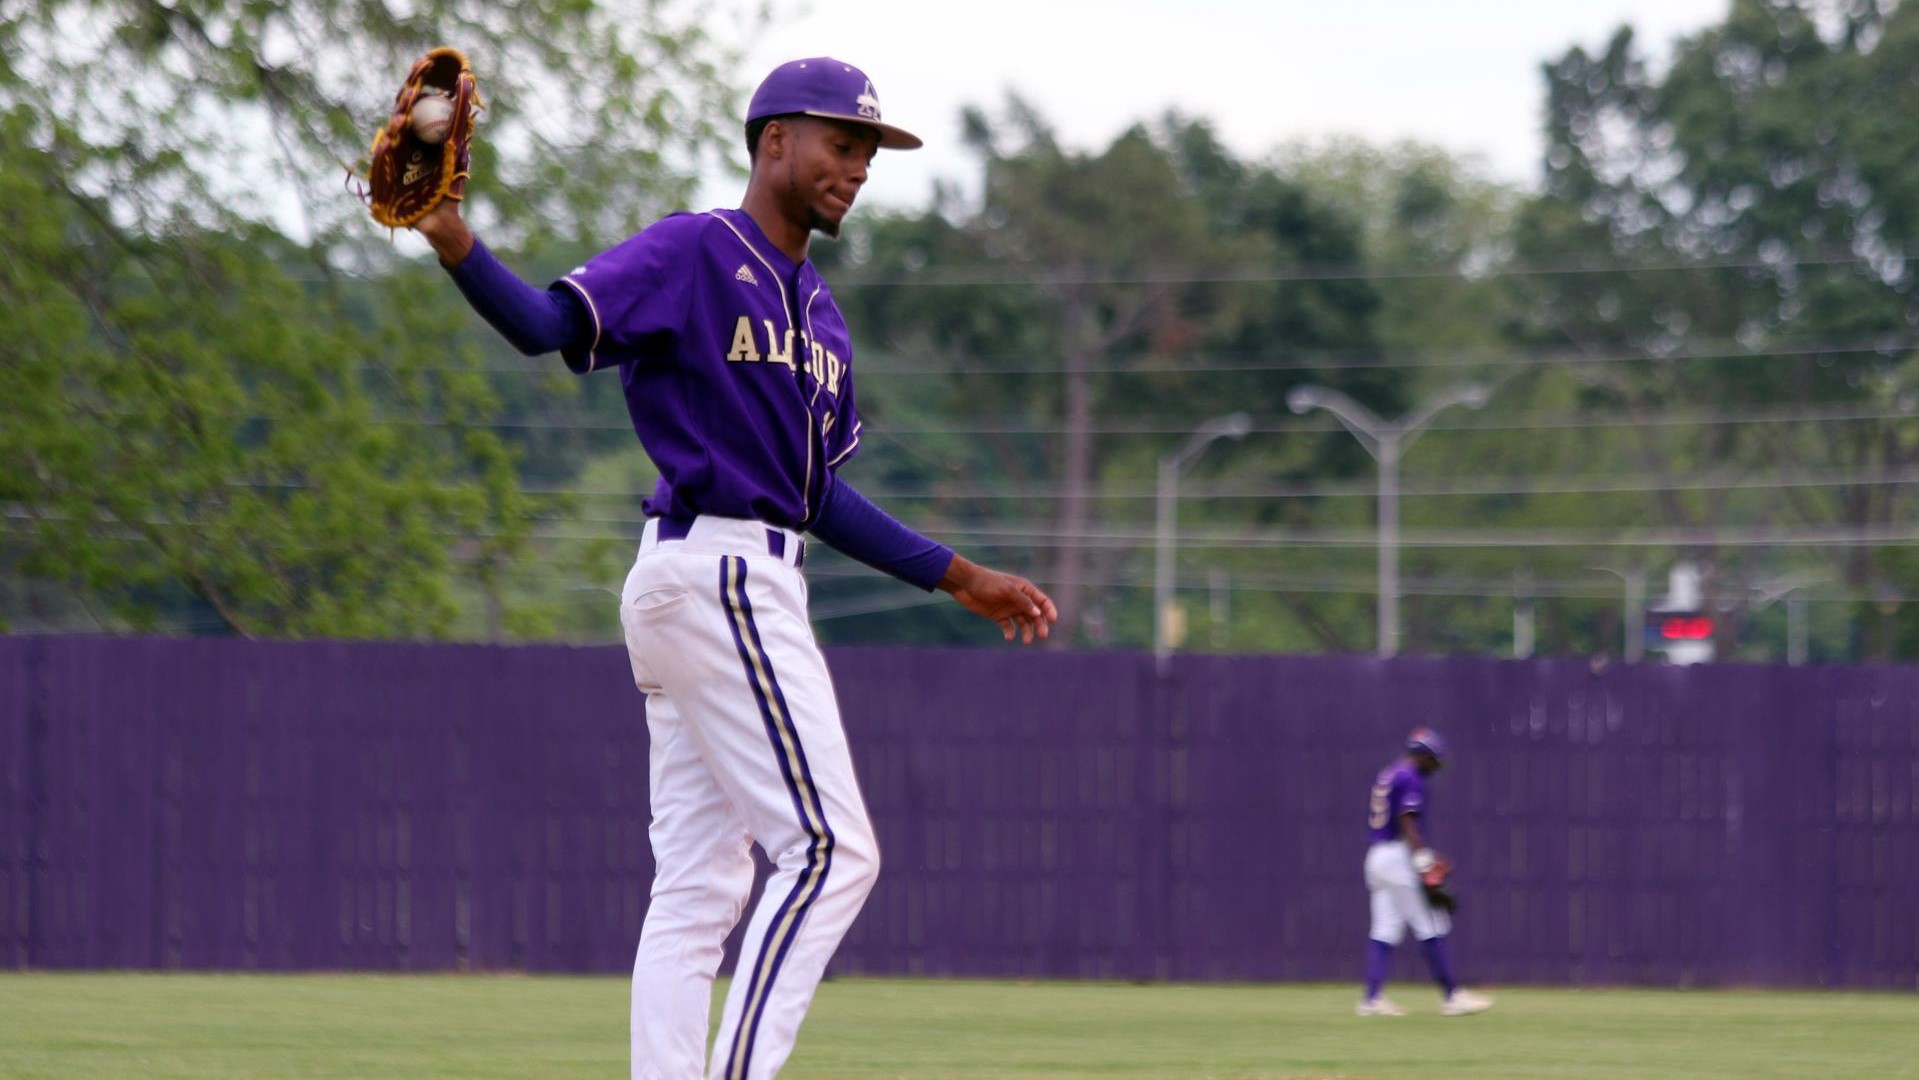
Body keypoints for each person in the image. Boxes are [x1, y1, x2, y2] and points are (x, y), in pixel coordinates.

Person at [409, 57, 1058, 1080]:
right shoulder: (697, 250)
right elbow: (547, 325)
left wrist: (957, 575)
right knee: (833, 852)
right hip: (717, 577)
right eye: (841, 145)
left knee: (702, 888)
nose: (855, 168)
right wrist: (450, 235)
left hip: (720, 580)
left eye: (866, 154)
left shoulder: (823, 321)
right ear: (773, 143)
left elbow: (815, 497)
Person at [1358, 727, 1493, 1017]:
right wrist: (1422, 860)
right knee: (1430, 922)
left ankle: (1371, 999)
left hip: (1377, 857)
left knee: (1384, 928)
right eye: (1433, 759)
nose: (1436, 766)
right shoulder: (1411, 777)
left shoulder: (1391, 772)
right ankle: (1452, 995)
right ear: (1421, 756)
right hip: (1397, 856)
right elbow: (1408, 820)